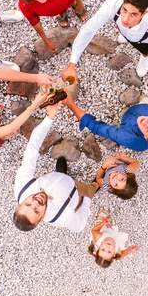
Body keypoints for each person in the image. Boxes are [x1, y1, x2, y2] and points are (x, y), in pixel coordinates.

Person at [13, 94, 100, 232]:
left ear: (20, 203)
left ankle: (60, 173)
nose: (36, 201)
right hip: (76, 192)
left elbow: (32, 148)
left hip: (51, 177)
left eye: (27, 204)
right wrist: (86, 203)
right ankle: (95, 185)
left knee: (56, 174)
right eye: (36, 211)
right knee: (92, 188)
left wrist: (49, 117)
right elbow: (79, 226)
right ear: (42, 218)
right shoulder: (61, 217)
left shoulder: (22, 187)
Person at [61, 0, 148, 81]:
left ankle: (145, 57)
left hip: (143, 40)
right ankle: (126, 35)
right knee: (124, 28)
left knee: (146, 51)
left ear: (144, 13)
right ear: (123, 2)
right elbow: (88, 30)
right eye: (125, 10)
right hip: (124, 30)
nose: (125, 18)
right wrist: (72, 64)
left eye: (134, 14)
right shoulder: (112, 5)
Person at [62, 89, 148, 152]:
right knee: (146, 100)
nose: (144, 122)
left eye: (146, 130)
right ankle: (144, 99)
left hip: (127, 121)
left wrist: (70, 104)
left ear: (146, 138)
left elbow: (96, 126)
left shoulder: (128, 138)